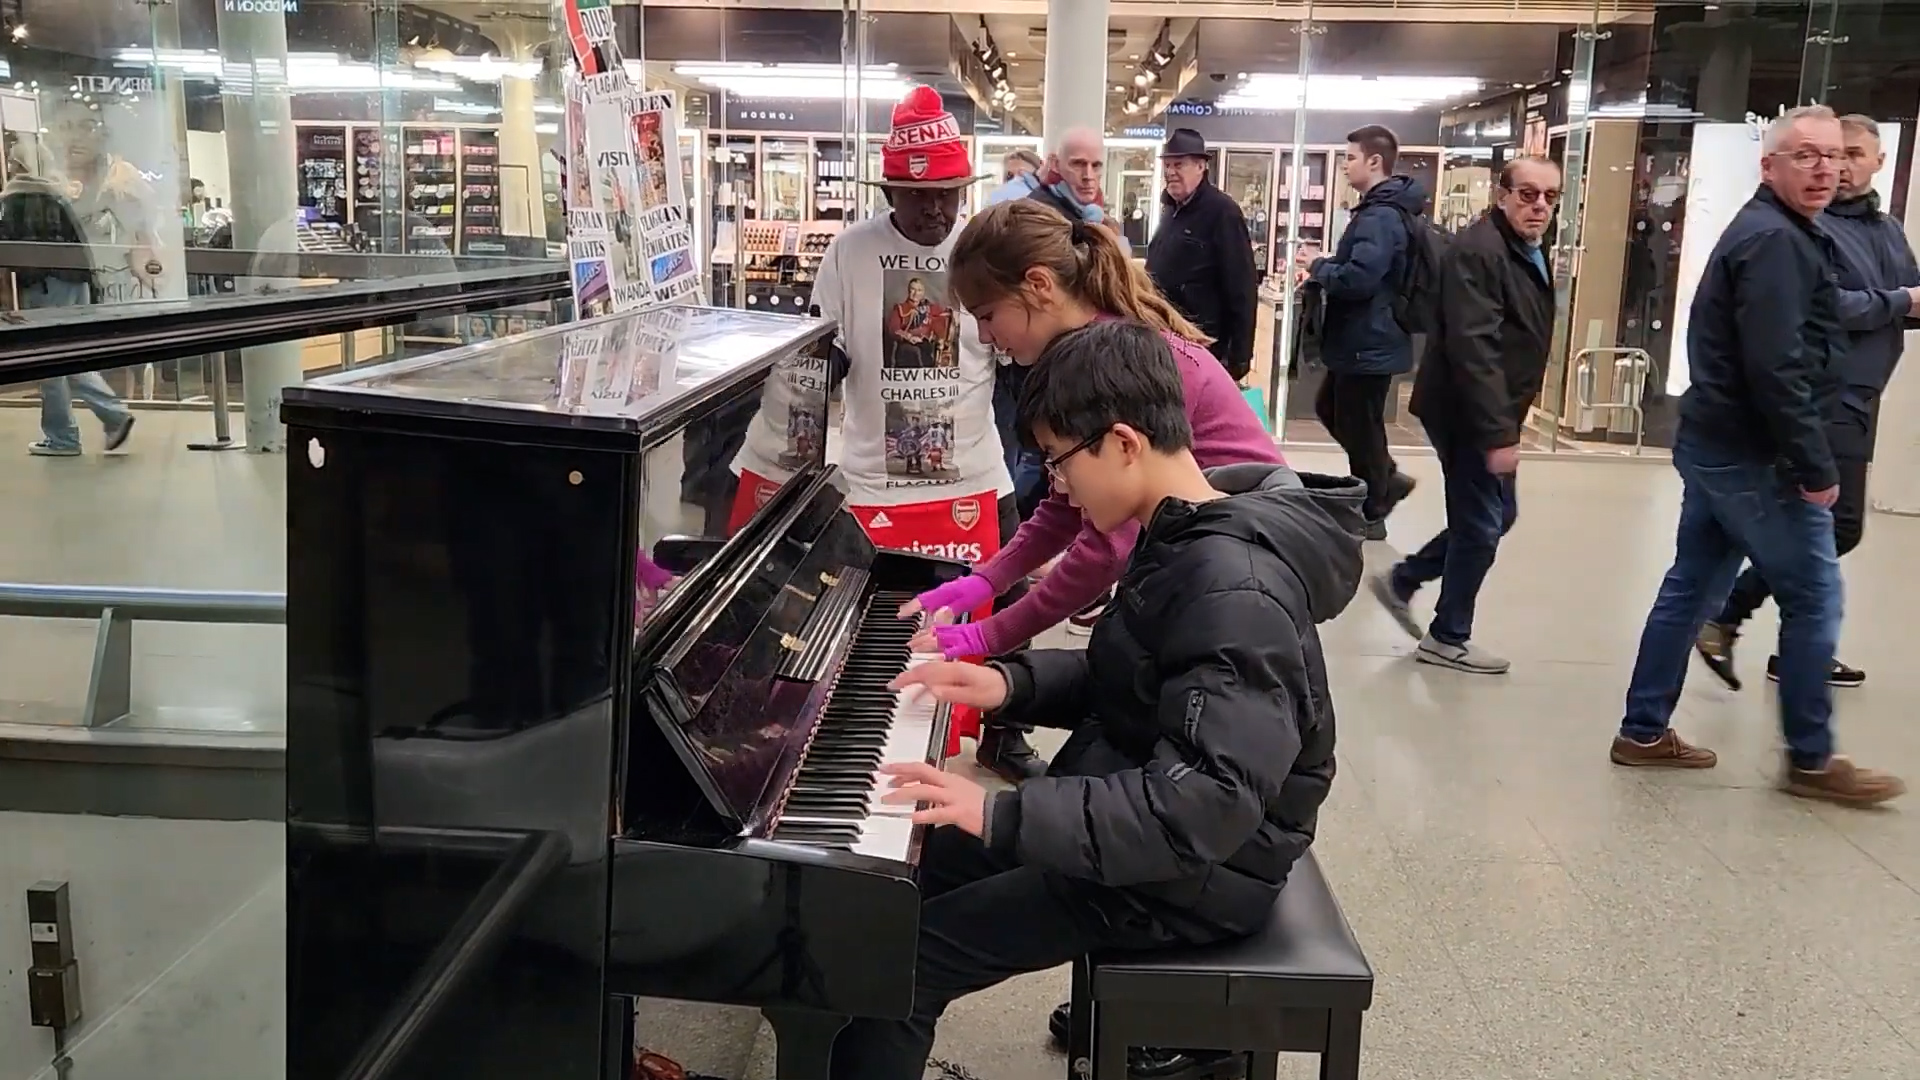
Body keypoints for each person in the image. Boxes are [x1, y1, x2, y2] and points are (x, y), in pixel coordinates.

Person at [826, 320, 1364, 1080]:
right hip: (1140, 819)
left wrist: (1001, 811)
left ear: (1122, 442)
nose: (1055, 483)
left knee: (902, 967)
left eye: (1058, 459)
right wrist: (1008, 681)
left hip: (1185, 878)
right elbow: (1133, 678)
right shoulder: (1179, 531)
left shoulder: (1232, 585)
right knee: (914, 865)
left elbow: (1206, 803)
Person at [901, 199, 1283, 782]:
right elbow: (1064, 504)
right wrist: (983, 581)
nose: (984, 336)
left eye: (987, 314)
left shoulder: (1116, 362)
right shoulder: (1093, 348)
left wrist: (988, 632)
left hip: (1243, 570)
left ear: (1038, 285)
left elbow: (1107, 546)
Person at [1609, 105, 1903, 807]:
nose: (1824, 168)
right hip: (1756, 456)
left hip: (1720, 446)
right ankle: (1810, 757)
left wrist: (1894, 301)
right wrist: (1816, 466)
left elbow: (1825, 317)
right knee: (1815, 595)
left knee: (1694, 587)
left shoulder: (1792, 235)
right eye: (1805, 155)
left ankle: (1642, 731)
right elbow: (1777, 368)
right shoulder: (1775, 241)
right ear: (1769, 166)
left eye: (1834, 156)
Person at [727, 85, 1010, 760]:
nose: (938, 209)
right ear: (889, 193)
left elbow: (1016, 355)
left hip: (971, 482)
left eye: (949, 192)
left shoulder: (983, 250)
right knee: (877, 643)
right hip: (873, 489)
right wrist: (778, 467)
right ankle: (864, 747)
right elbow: (818, 369)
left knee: (983, 632)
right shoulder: (850, 254)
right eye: (920, 196)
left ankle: (1003, 733)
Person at [1695, 112, 1920, 691]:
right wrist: (1895, 302)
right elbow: (1829, 310)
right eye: (1823, 155)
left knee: (1805, 539)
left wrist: (1896, 303)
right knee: (1830, 535)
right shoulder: (1804, 231)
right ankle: (1757, 635)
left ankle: (1753, 633)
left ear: (1878, 162)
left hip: (1860, 398)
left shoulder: (1886, 230)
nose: (1836, 168)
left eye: (1848, 155)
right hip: (1825, 402)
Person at [1366, 157, 1559, 675]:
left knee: (1499, 516)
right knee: (1481, 524)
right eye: (1527, 194)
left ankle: (1405, 579)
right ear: (1503, 195)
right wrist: (1498, 433)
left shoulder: (1524, 250)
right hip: (1468, 410)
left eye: (1549, 196)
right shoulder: (1481, 252)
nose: (1539, 205)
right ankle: (1448, 636)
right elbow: (1476, 348)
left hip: (1490, 409)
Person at [1295, 125, 1426, 538]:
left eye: (1350, 158)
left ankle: (1373, 506)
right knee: (1337, 410)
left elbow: (1359, 279)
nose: (1344, 166)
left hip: (1369, 340)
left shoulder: (1381, 216)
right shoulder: (1379, 212)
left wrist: (1318, 265)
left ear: (1374, 161)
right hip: (1364, 339)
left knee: (1358, 421)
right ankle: (1385, 480)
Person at [0, 139, 136, 457]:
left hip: (44, 288)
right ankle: (78, 429)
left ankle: (78, 430)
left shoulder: (13, 201)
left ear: (20, 165)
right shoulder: (57, 197)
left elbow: (5, 253)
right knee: (67, 355)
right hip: (76, 283)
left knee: (51, 360)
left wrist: (7, 297)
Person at [1146, 128, 1259, 381]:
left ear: (1200, 166)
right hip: (1165, 345)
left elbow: (1242, 287)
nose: (1170, 172)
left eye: (1179, 164)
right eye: (1167, 165)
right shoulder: (1170, 210)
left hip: (1203, 348)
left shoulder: (1222, 212)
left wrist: (1238, 358)